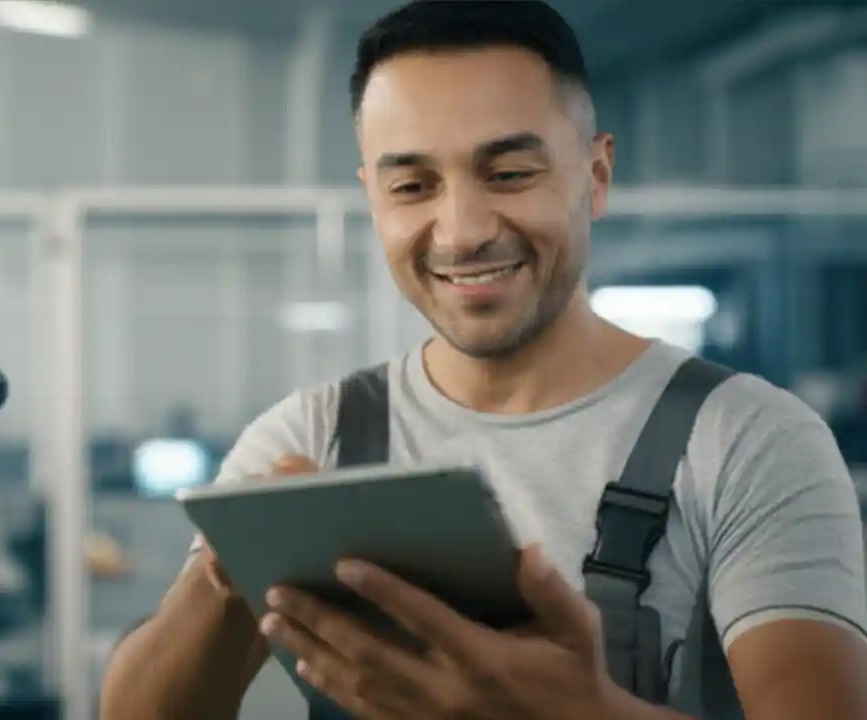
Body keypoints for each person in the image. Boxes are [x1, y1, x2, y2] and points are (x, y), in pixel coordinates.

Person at [99, 1, 867, 718]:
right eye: (412, 185)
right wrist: (228, 572)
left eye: (508, 174)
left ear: (594, 177)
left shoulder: (749, 439)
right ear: (373, 197)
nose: (461, 230)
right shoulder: (310, 438)